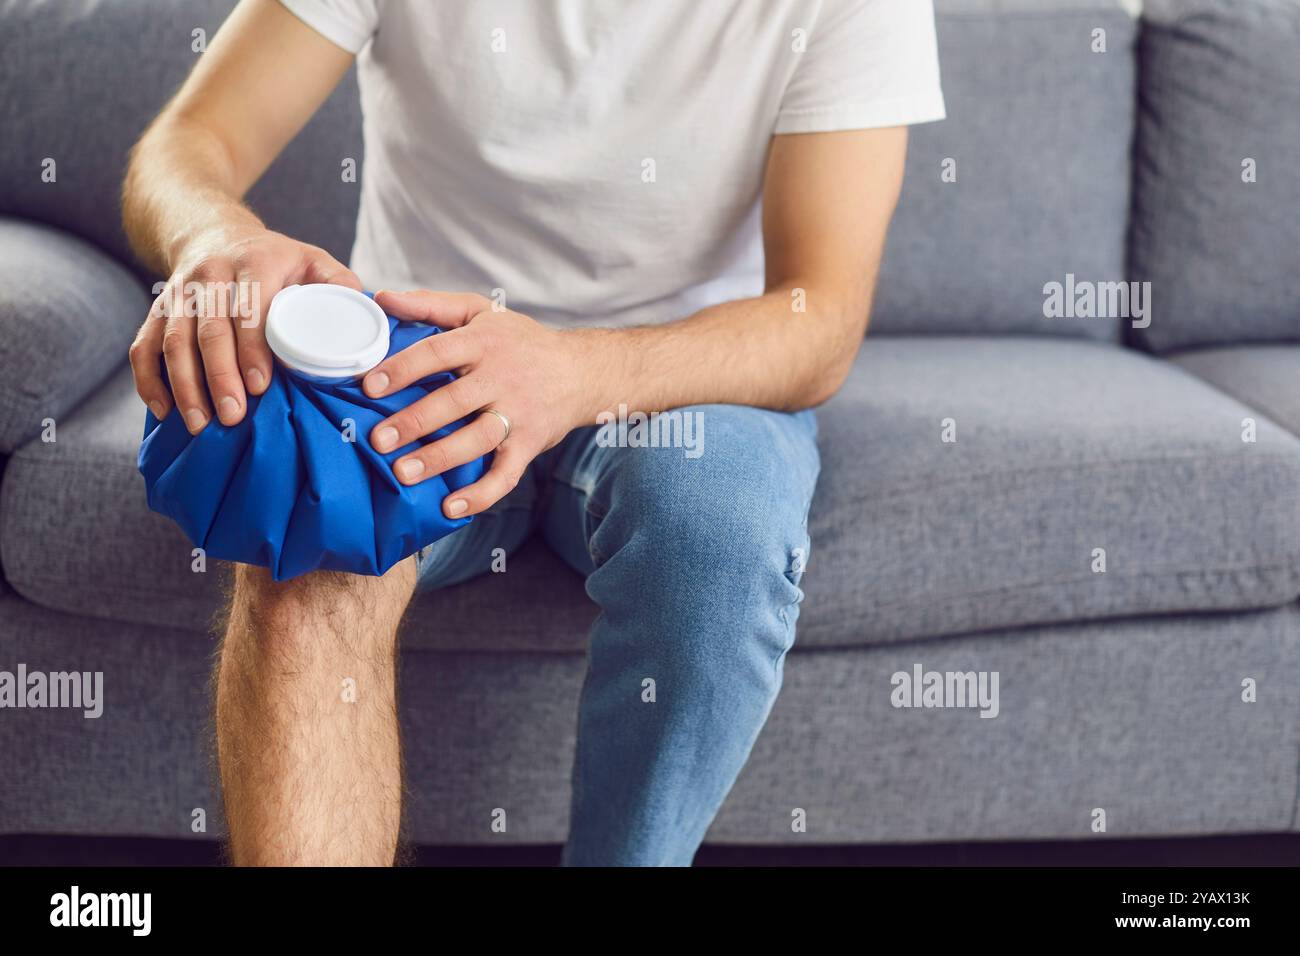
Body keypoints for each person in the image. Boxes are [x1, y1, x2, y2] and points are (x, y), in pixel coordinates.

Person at [122, 0, 944, 866]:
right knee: (311, 563)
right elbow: (187, 142)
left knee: (716, 543)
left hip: (683, 378)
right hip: (417, 369)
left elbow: (820, 320)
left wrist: (573, 372)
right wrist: (213, 233)